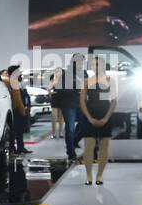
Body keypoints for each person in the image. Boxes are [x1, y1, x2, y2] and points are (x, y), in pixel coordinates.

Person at [78, 53, 117, 185]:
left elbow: (114, 100)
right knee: (88, 145)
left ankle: (100, 176)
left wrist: (106, 118)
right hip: (90, 114)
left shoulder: (110, 80)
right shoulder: (87, 81)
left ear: (103, 65)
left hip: (105, 113)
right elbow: (82, 101)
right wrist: (89, 118)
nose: (95, 66)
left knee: (104, 146)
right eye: (93, 64)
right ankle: (88, 175)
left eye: (97, 63)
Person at [48, 52, 85, 162]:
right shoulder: (66, 74)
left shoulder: (84, 73)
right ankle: (71, 152)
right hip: (69, 105)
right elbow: (60, 90)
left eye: (82, 61)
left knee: (85, 125)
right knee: (70, 128)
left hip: (81, 104)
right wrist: (76, 89)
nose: (81, 64)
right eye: (79, 61)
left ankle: (73, 142)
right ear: (74, 62)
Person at [3, 64, 29, 154]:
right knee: (17, 130)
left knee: (15, 130)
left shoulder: (10, 81)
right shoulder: (13, 82)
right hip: (15, 109)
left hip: (12, 109)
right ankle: (16, 148)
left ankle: (16, 148)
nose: (20, 73)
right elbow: (17, 98)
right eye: (18, 71)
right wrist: (23, 111)